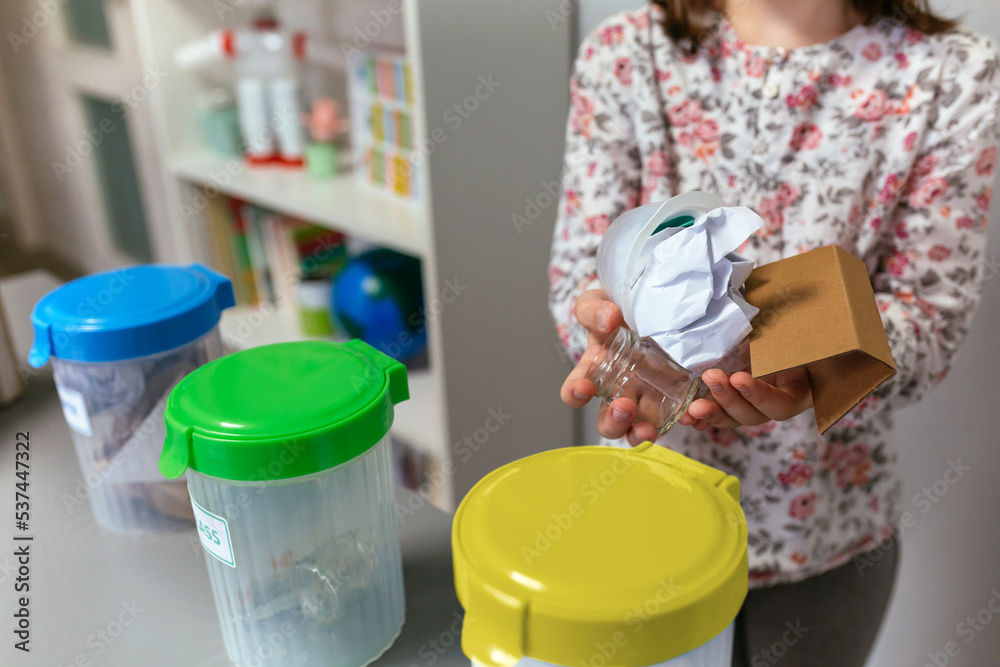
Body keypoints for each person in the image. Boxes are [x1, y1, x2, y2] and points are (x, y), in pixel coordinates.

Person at [549, 1, 1000, 665]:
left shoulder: (951, 77)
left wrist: (817, 368)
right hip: (650, 522)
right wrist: (600, 327)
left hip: (826, 540)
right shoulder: (626, 56)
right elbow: (576, 281)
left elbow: (930, 321)